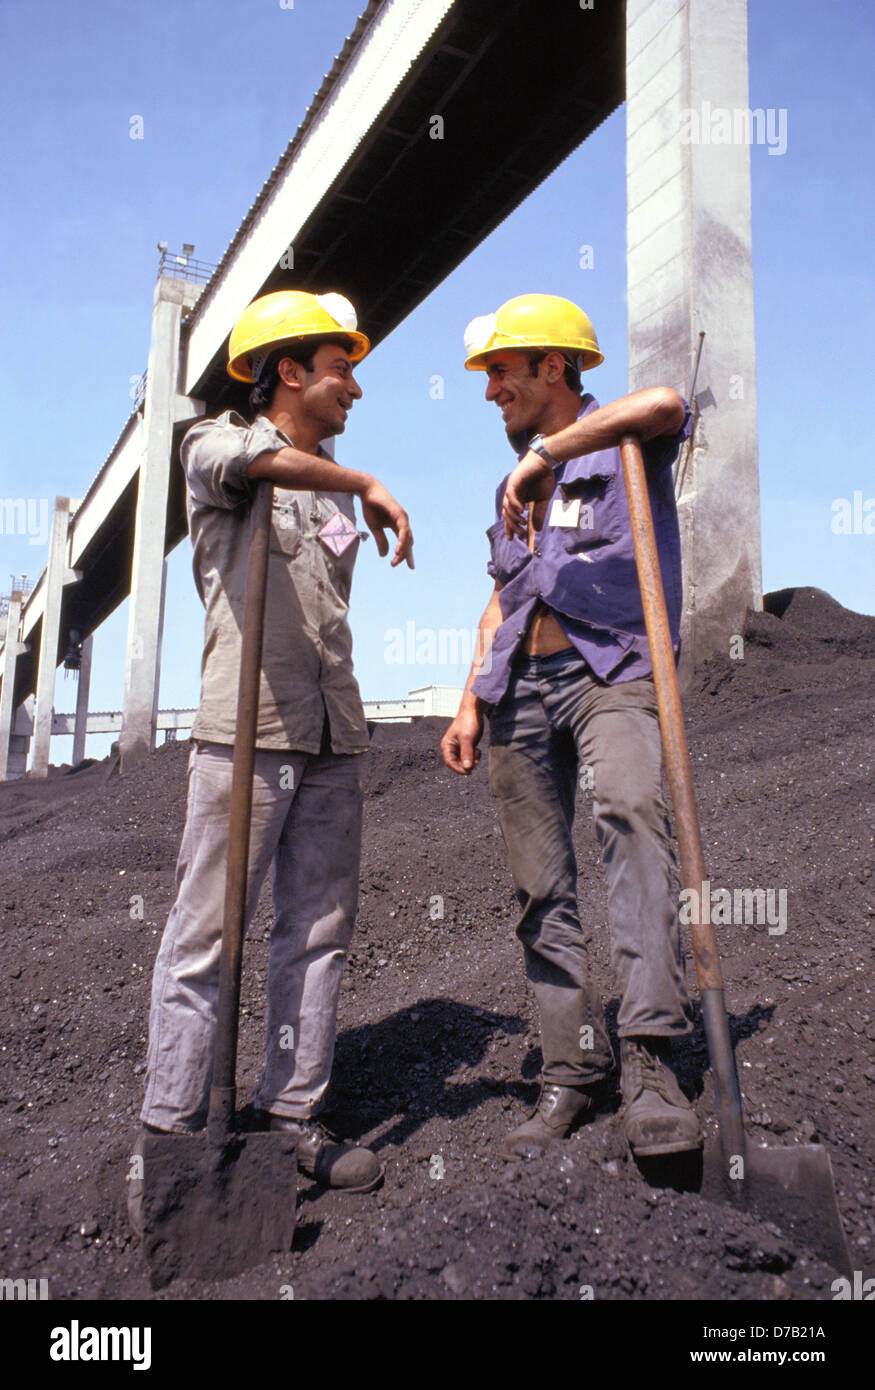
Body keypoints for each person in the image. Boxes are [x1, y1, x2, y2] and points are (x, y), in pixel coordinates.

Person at [132, 290, 413, 1221]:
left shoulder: (325, 479)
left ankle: (291, 1115)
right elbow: (246, 459)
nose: (355, 389)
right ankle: (173, 1141)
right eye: (343, 369)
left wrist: (345, 488)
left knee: (318, 931)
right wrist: (362, 483)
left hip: (333, 733)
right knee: (206, 934)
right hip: (245, 731)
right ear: (290, 371)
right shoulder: (213, 444)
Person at [440, 293, 701, 1160]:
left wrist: (547, 453)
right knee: (538, 883)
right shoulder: (513, 480)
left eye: (501, 373)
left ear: (555, 366)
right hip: (517, 682)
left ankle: (651, 1062)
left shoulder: (623, 436)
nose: (489, 393)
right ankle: (568, 1071)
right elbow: (503, 591)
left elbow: (664, 400)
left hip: (614, 668)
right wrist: (470, 696)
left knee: (631, 821)